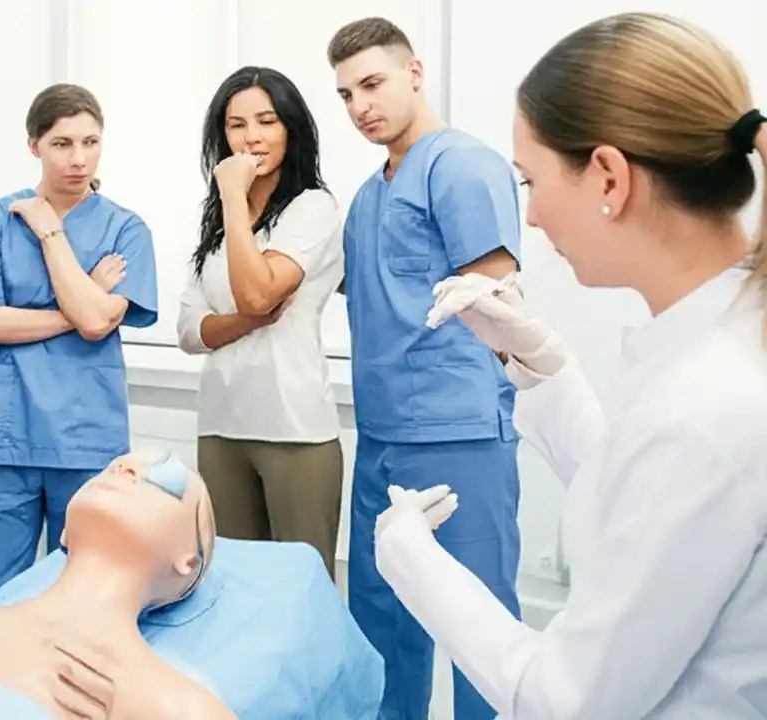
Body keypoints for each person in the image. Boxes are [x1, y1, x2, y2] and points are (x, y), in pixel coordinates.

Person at [378, 11, 767, 719]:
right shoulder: (721, 348)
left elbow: (564, 699)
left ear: (609, 177)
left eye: (530, 181)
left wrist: (413, 561)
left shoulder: (707, 406)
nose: (529, 218)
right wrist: (544, 368)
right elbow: (649, 510)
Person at [326, 17, 524, 719]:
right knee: (382, 618)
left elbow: (500, 304)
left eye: (373, 84)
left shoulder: (463, 166)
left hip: (457, 431)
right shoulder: (365, 198)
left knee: (479, 628)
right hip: (382, 434)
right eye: (346, 94)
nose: (360, 107)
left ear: (415, 72)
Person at [0, 83, 159, 601]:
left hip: (85, 437)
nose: (78, 158)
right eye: (62, 143)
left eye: (90, 142)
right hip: (7, 437)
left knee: (83, 591)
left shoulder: (126, 229)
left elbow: (97, 324)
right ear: (34, 146)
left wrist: (50, 233)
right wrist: (85, 298)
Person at [0, 449, 234, 719]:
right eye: (112, 467)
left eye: (163, 478)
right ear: (65, 533)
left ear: (188, 561)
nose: (126, 467)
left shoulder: (175, 707)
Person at [176, 66, 345, 577]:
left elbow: (255, 291)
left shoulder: (312, 208)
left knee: (299, 590)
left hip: (294, 427)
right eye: (236, 125)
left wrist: (231, 194)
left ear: (290, 129)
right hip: (221, 424)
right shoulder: (216, 222)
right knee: (231, 586)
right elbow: (188, 331)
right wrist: (250, 322)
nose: (251, 137)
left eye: (267, 121)